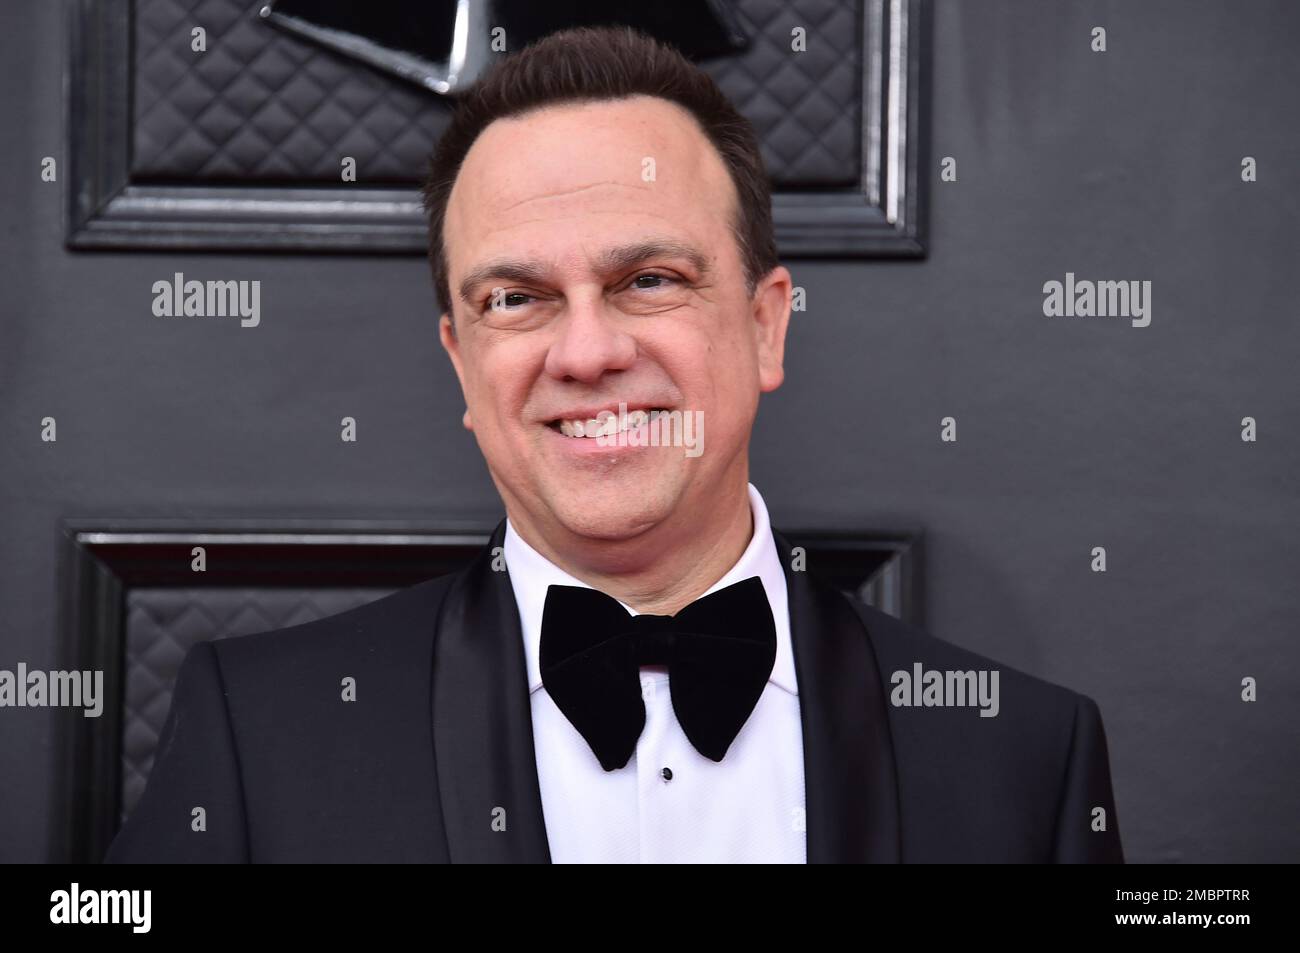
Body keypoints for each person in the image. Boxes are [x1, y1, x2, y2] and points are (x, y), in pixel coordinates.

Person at [105, 25, 1122, 863]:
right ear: (461, 363)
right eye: (518, 298)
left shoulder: (1023, 757)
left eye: (649, 280)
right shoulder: (262, 731)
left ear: (767, 324)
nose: (586, 352)